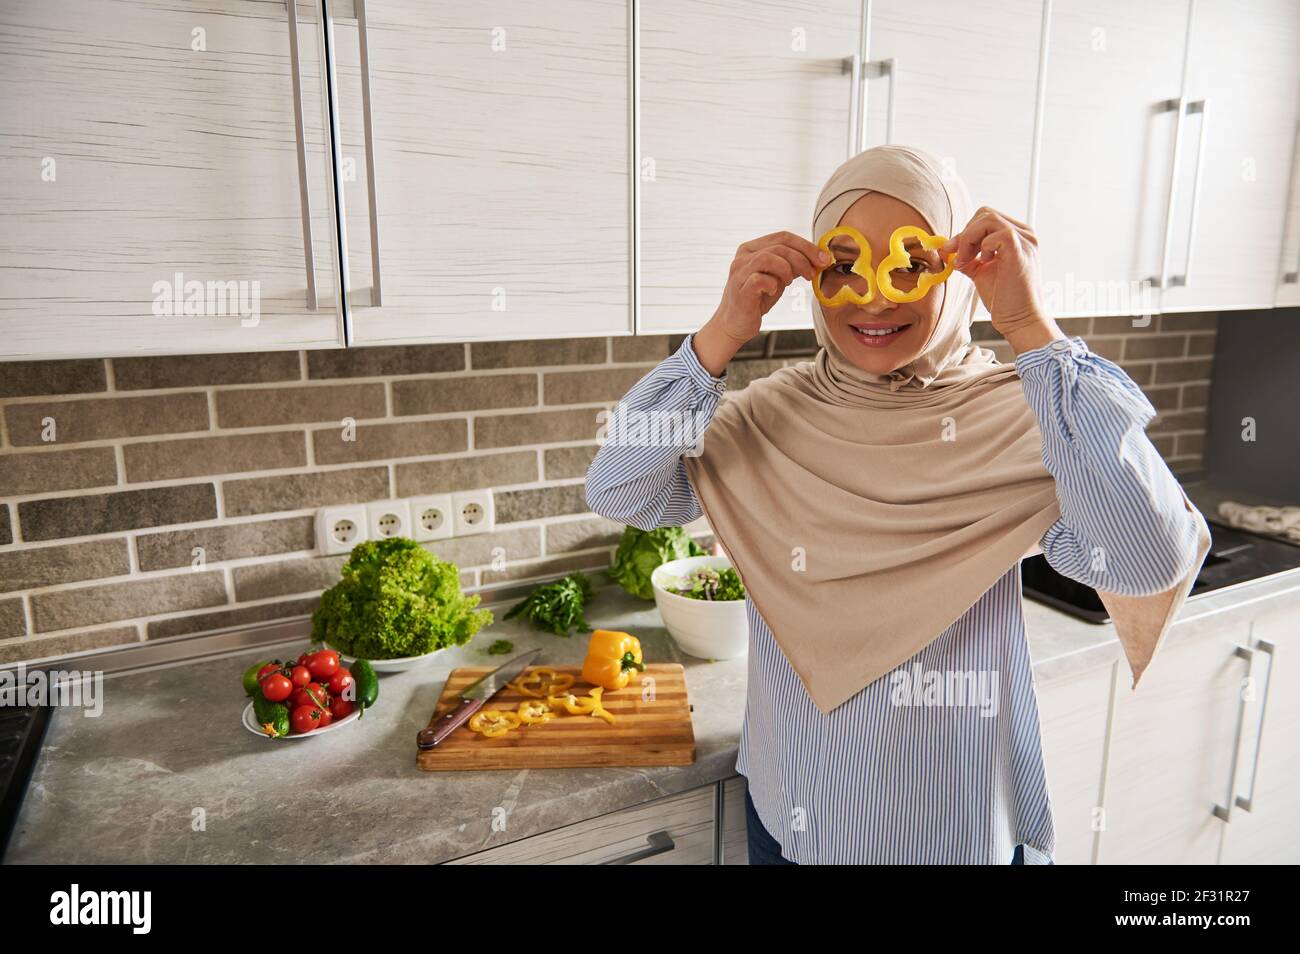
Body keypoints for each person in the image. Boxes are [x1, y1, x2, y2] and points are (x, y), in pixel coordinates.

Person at [585, 145, 1210, 864]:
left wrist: (1030, 324)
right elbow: (621, 488)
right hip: (788, 814)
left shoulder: (1030, 414)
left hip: (944, 831)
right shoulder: (770, 417)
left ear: (957, 270)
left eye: (912, 263)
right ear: (814, 273)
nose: (877, 296)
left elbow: (1143, 559)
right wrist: (722, 331)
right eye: (844, 265)